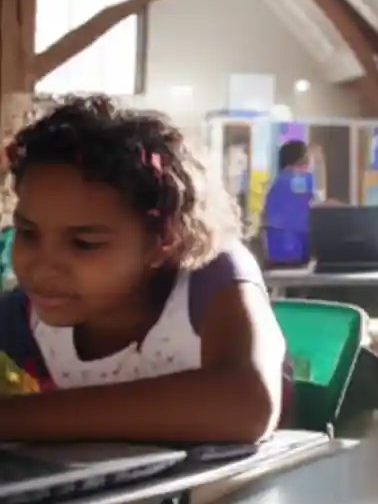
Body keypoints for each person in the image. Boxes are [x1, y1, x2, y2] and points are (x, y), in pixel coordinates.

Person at [0, 95, 284, 442]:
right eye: (28, 233)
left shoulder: (211, 278)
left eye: (84, 244)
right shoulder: (24, 316)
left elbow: (247, 406)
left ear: (163, 239)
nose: (42, 268)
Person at [260, 139, 314, 265]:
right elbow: (315, 203)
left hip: (277, 252)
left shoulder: (278, 183)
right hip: (294, 250)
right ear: (301, 160)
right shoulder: (297, 180)